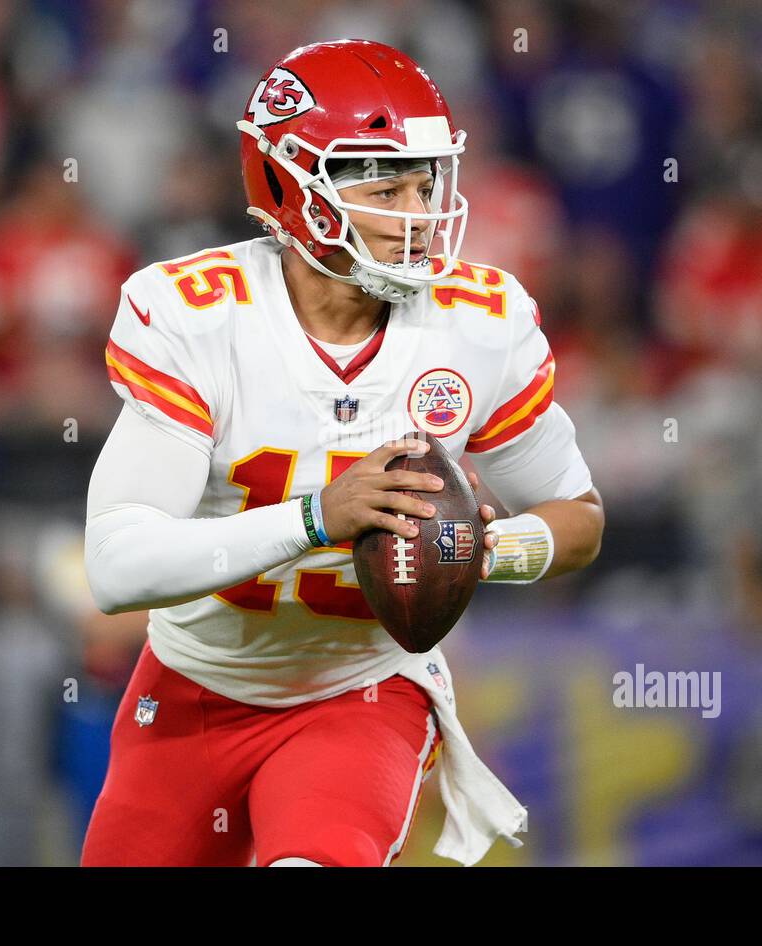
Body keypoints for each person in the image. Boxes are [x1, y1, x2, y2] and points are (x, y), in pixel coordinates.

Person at [79, 39, 604, 867]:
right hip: (194, 687)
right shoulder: (199, 317)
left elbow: (580, 519)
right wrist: (317, 519)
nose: (421, 213)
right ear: (296, 188)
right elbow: (115, 565)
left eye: (426, 183)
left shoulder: (477, 324)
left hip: (360, 690)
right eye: (387, 187)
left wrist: (477, 552)